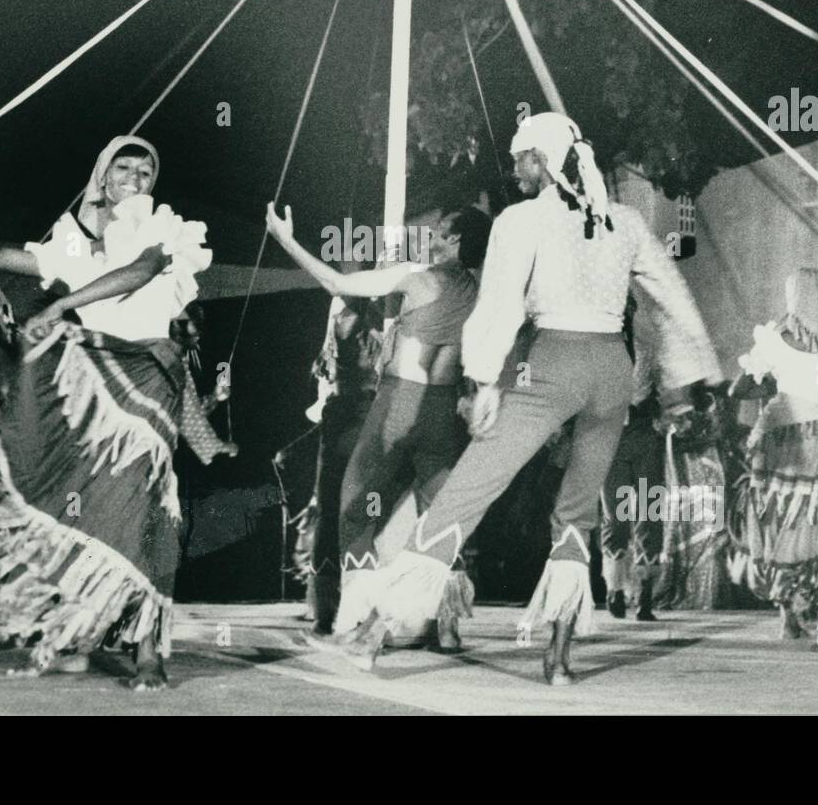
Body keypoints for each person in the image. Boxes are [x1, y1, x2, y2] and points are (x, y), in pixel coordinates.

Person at [337, 112, 721, 682]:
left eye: (522, 158)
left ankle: (376, 629)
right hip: (611, 370)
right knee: (576, 512)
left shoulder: (520, 222)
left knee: (466, 492)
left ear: (543, 161)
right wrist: (690, 375)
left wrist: (486, 379)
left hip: (552, 364)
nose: (514, 168)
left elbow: (500, 307)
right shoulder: (626, 221)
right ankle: (559, 660)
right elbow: (672, 296)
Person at [0, 134, 236, 690]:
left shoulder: (165, 227)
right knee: (76, 505)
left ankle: (148, 647)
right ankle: (74, 629)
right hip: (88, 388)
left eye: (145, 170)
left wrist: (61, 303)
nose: (135, 176)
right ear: (101, 179)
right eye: (123, 168)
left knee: (147, 509)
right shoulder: (74, 247)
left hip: (148, 382)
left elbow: (144, 271)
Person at [265, 201, 492, 650]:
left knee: (354, 506)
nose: (433, 238)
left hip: (399, 405)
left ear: (458, 240)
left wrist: (283, 238)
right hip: (443, 412)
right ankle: (447, 626)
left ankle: (356, 618)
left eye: (442, 232)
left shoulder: (418, 278)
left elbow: (336, 282)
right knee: (440, 518)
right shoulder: (482, 290)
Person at [729, 268, 818, 637]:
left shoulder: (774, 341)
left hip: (779, 437)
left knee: (779, 517)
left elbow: (737, 391)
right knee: (814, 519)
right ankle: (810, 602)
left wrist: (774, 380)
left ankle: (787, 608)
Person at [295, 283, 384, 634]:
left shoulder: (365, 310)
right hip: (355, 412)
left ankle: (342, 609)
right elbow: (347, 334)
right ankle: (334, 609)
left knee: (355, 507)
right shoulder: (357, 310)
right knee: (344, 508)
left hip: (360, 412)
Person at [599, 299, 666, 622]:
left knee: (649, 513)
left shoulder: (647, 349)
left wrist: (661, 415)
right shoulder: (593, 350)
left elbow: (664, 389)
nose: (622, 316)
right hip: (610, 438)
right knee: (616, 515)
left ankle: (644, 596)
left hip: (644, 438)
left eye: (626, 310)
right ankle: (615, 589)